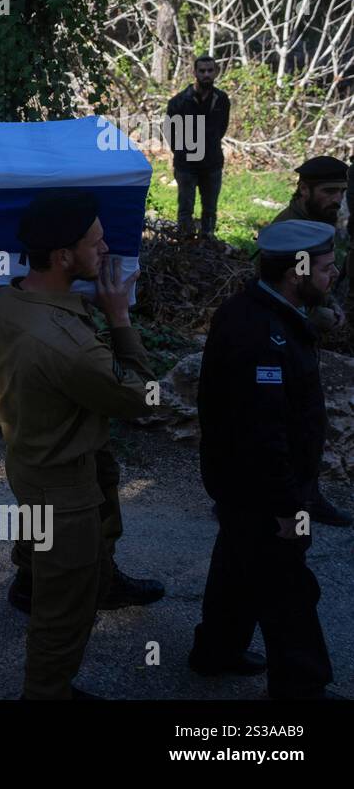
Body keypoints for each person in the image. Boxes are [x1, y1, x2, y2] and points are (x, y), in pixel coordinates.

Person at [0, 190, 163, 699]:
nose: (106, 251)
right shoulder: (67, 344)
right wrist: (120, 318)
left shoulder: (4, 300)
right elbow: (143, 398)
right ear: (63, 256)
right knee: (66, 607)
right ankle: (48, 692)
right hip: (64, 487)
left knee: (59, 559)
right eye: (96, 243)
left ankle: (38, 580)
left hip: (32, 460)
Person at [191, 220, 339, 699]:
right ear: (296, 270)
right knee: (289, 587)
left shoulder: (260, 310)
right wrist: (286, 506)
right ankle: (301, 690)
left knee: (237, 560)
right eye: (325, 267)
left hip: (245, 488)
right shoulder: (262, 335)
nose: (333, 274)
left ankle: (216, 650)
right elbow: (263, 434)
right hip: (264, 490)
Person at [265, 158, 354, 527]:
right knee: (281, 424)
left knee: (307, 424)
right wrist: (322, 314)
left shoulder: (322, 223)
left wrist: (332, 305)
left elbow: (325, 277)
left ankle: (305, 495)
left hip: (303, 337)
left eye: (342, 192)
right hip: (280, 339)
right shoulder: (291, 231)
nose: (337, 199)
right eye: (329, 191)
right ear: (304, 189)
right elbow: (284, 289)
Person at [166, 54, 230, 240]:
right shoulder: (178, 102)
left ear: (216, 72)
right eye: (202, 71)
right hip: (186, 165)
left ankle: (208, 245)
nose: (206, 75)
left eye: (210, 71)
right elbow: (170, 133)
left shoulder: (222, 100)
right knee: (185, 209)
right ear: (194, 73)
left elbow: (221, 129)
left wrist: (209, 146)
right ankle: (185, 247)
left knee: (210, 210)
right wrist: (184, 153)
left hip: (212, 164)